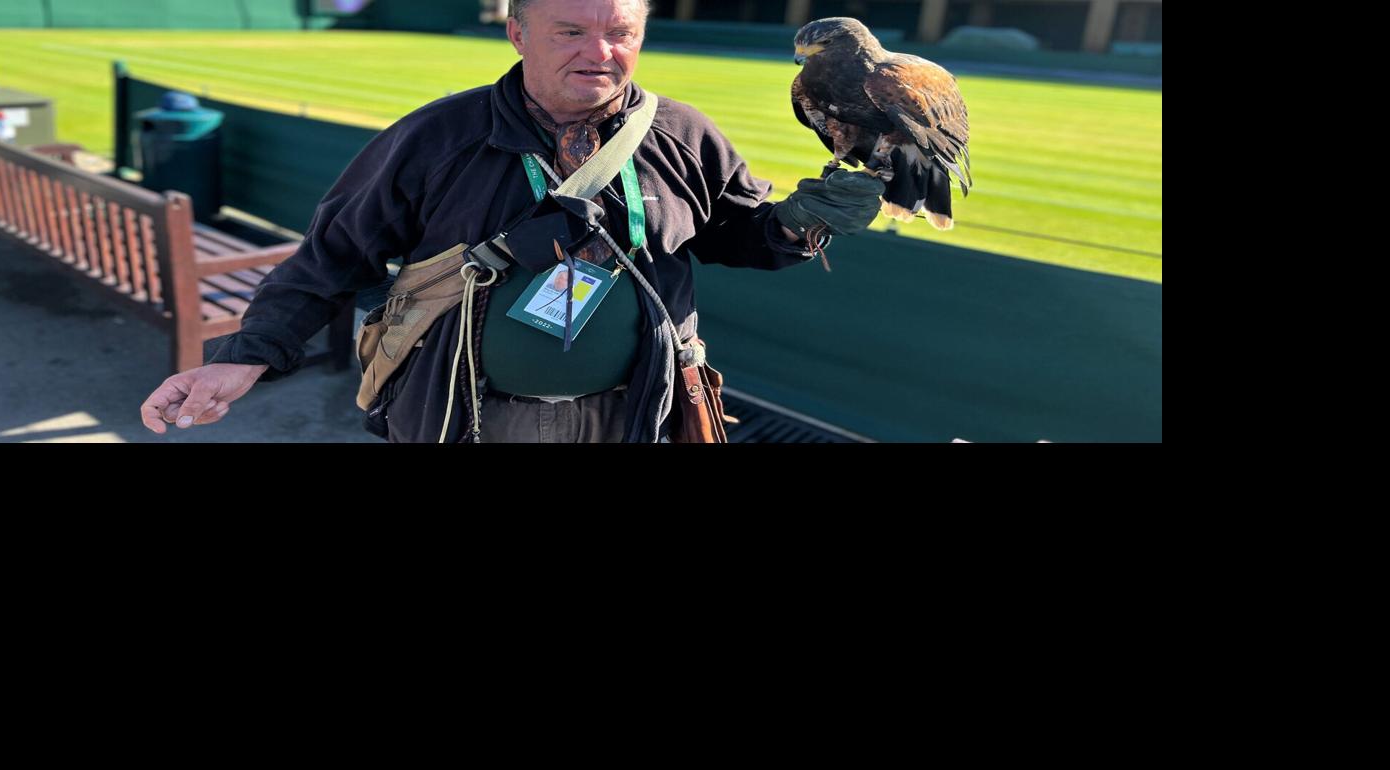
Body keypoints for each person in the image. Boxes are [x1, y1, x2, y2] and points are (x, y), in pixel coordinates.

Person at [139, 0, 885, 442]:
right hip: (465, 417)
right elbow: (330, 257)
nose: (601, 54)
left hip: (638, 417)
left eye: (621, 32)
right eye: (569, 32)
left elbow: (738, 235)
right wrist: (243, 356)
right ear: (517, 34)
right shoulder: (434, 137)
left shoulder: (685, 136)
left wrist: (796, 223)